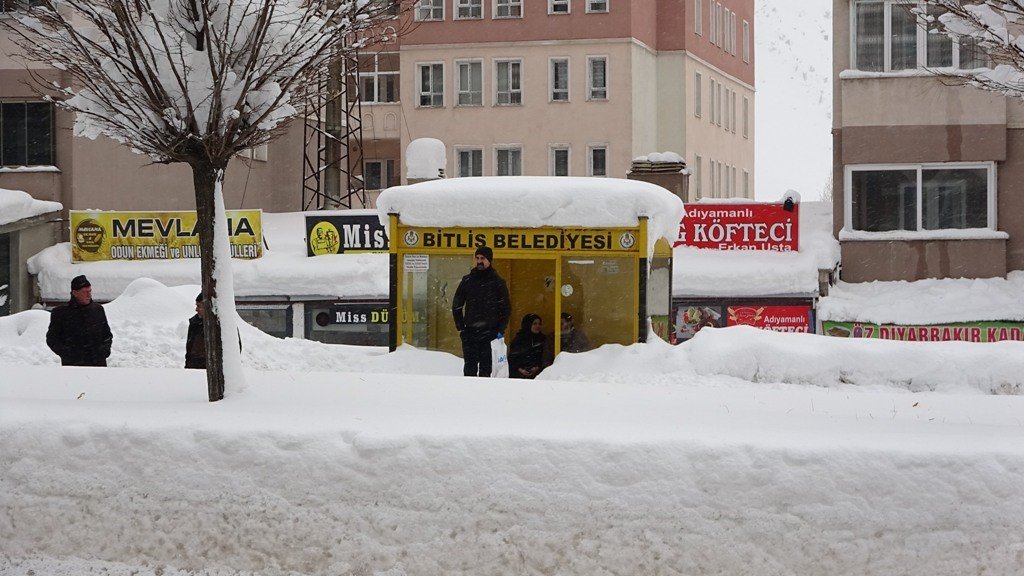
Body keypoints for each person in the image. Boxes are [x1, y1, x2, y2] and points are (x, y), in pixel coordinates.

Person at [452, 246, 510, 377]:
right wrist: (461, 328)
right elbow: (457, 305)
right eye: (477, 258)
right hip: (470, 332)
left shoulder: (498, 282)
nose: (479, 261)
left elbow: (506, 309)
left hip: (490, 333)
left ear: (489, 260)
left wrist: (500, 330)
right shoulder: (467, 281)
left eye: (482, 258)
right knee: (469, 369)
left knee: (486, 370)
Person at [46, 275, 113, 366]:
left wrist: (104, 351)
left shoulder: (97, 310)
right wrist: (67, 354)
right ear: (75, 293)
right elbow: (52, 339)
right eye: (85, 292)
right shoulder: (61, 313)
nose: (89, 295)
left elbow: (107, 335)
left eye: (90, 291)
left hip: (97, 365)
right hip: (73, 366)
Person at [185, 293, 242, 369]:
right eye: (196, 306)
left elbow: (235, 350)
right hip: (195, 368)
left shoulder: (224, 325)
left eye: (199, 306)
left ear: (208, 307)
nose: (196, 309)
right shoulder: (194, 323)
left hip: (215, 370)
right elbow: (189, 349)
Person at [508, 313, 550, 379]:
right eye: (534, 324)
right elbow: (512, 359)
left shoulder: (543, 339)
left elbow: (546, 358)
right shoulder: (519, 339)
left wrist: (537, 367)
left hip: (539, 374)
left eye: (539, 324)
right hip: (519, 374)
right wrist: (521, 370)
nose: (538, 326)